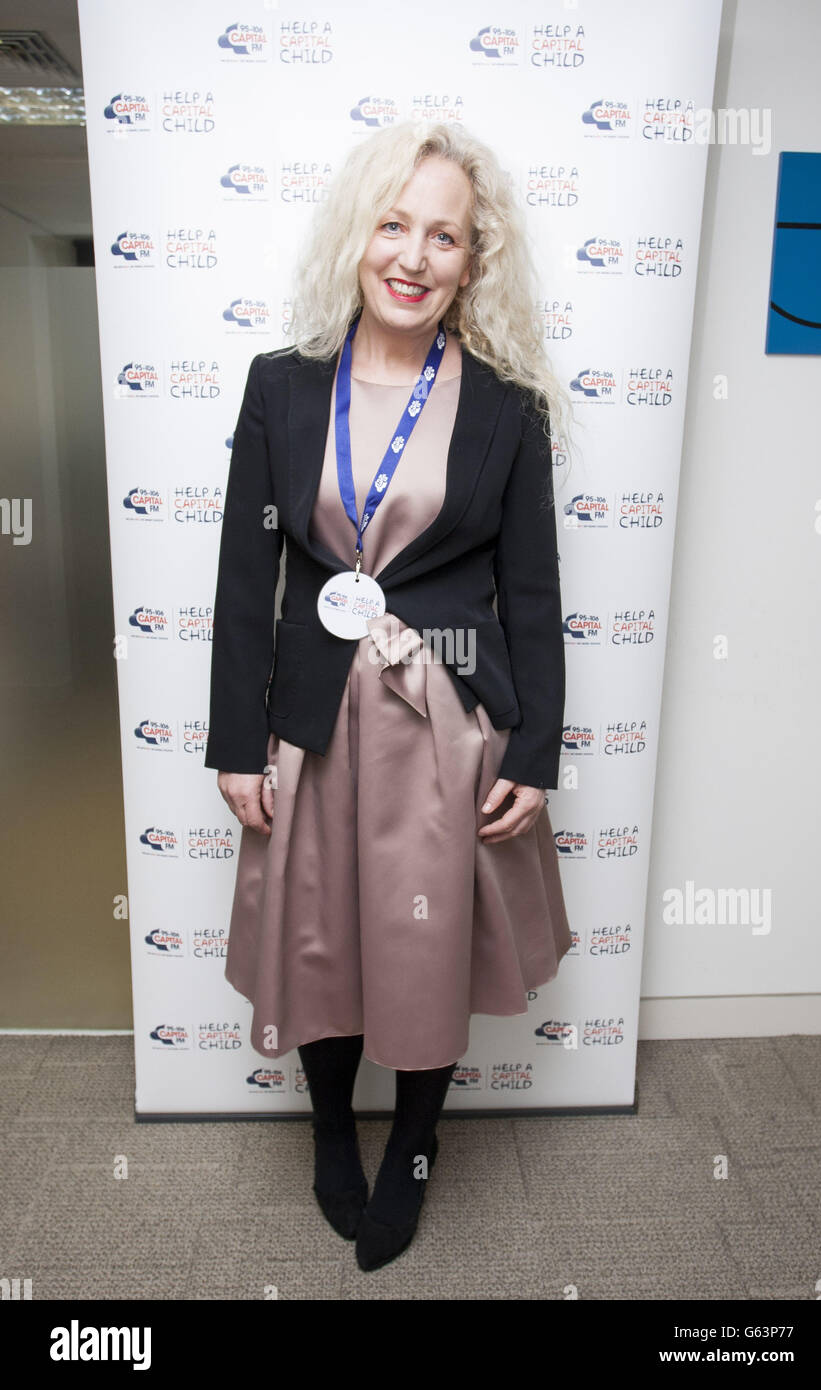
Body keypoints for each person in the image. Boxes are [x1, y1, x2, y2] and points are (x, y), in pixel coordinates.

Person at [204, 120, 574, 1273]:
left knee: (424, 948)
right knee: (321, 938)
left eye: (445, 235)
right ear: (360, 235)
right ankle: (329, 1127)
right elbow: (241, 575)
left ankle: (413, 1145)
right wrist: (232, 738)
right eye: (394, 223)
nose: (413, 255)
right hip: (314, 722)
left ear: (474, 259)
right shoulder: (282, 386)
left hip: (446, 723)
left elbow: (530, 588)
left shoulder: (506, 407)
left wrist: (535, 751)